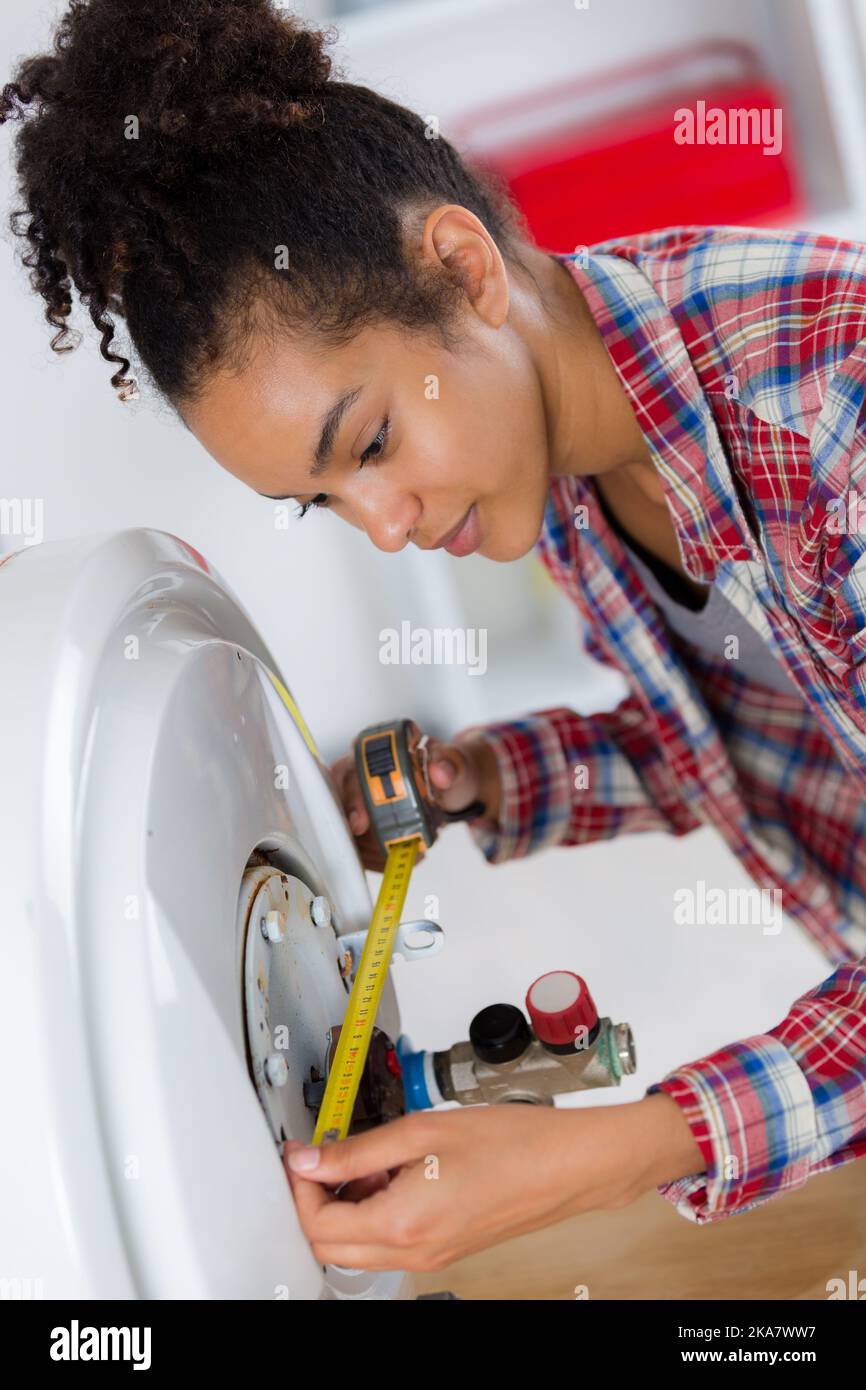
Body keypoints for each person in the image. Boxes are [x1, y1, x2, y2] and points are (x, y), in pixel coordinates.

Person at [4, 0, 865, 1276]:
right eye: (323, 500)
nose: (385, 524)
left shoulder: (833, 424)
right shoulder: (578, 432)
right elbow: (756, 720)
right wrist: (480, 783)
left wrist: (615, 1146)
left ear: (463, 269)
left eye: (369, 444)